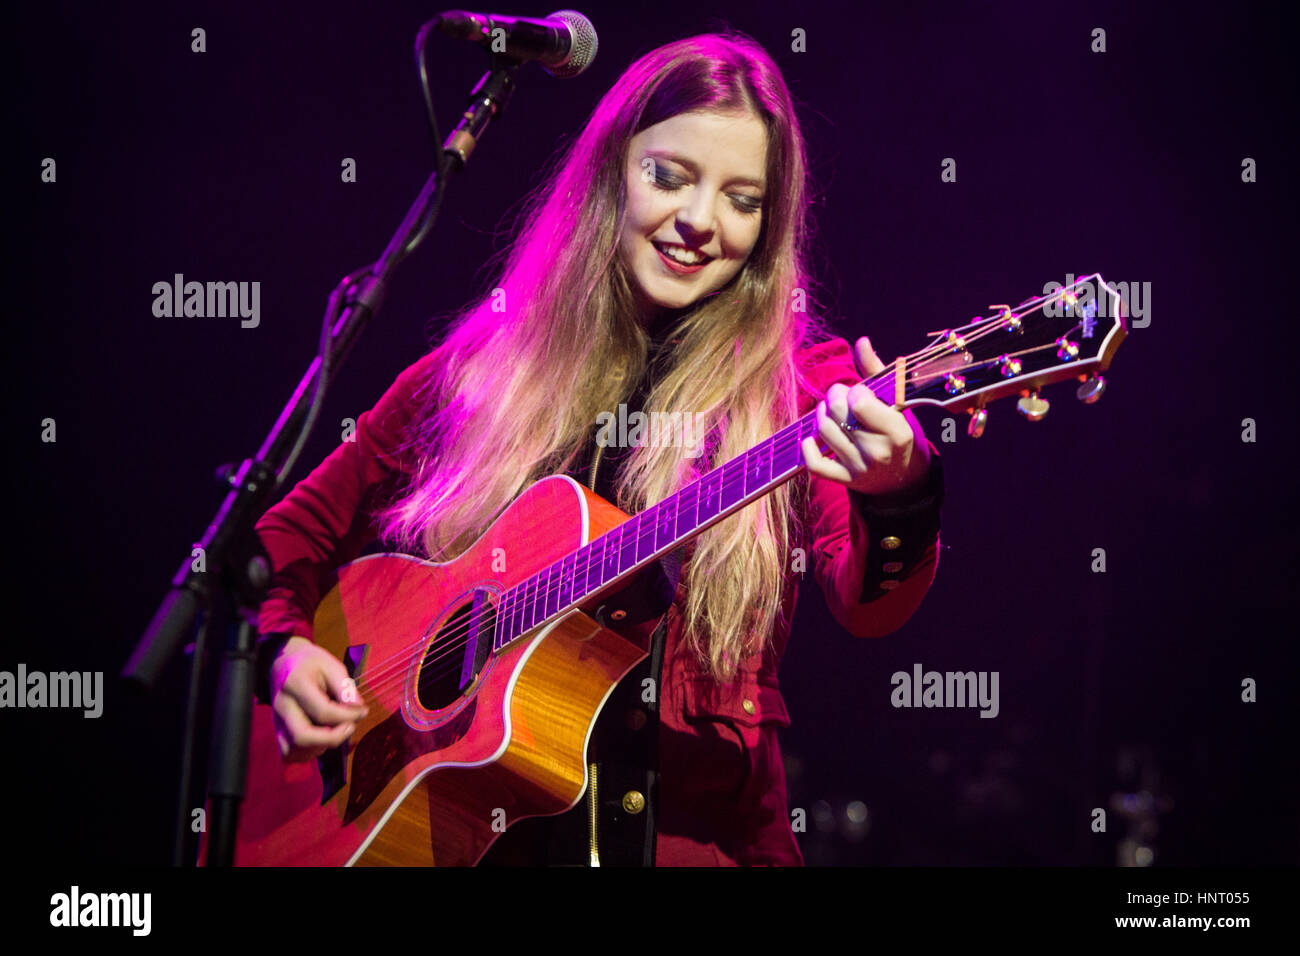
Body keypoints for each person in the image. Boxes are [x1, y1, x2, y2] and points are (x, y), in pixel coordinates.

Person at [252, 31, 944, 866]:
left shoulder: (804, 389)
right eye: (670, 176)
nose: (698, 221)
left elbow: (868, 604)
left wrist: (900, 488)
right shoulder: (483, 370)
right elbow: (283, 537)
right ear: (612, 171)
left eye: (742, 199)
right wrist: (283, 650)